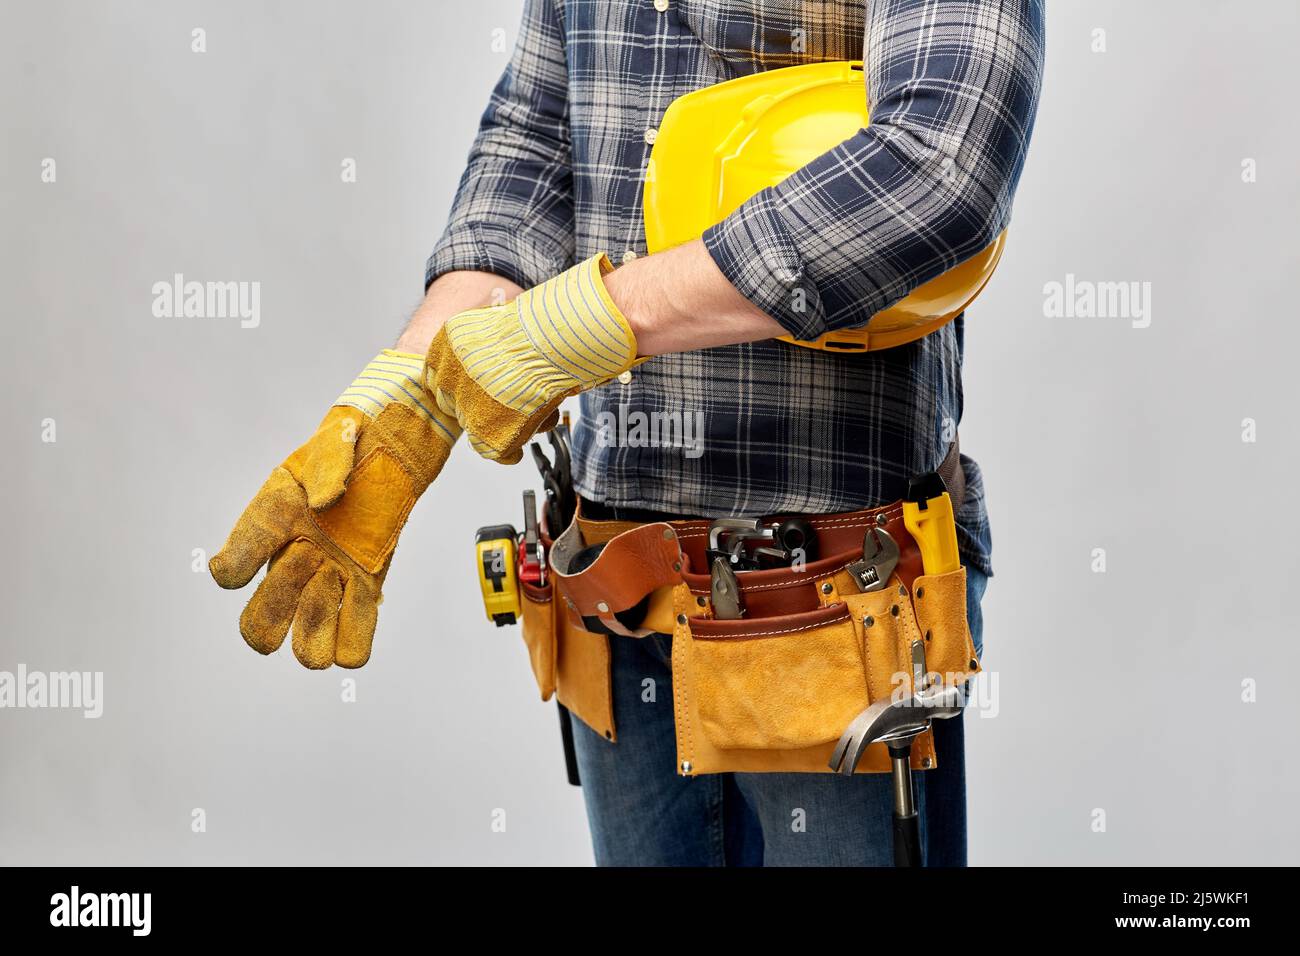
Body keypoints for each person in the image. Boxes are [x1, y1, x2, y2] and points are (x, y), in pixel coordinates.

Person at [210, 0, 1044, 866]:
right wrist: (409, 397)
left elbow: (942, 169)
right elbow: (535, 146)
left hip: (837, 611)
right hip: (618, 602)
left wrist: (587, 321)